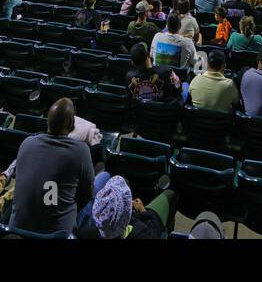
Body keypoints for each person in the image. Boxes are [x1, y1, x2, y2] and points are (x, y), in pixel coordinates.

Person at [10, 98, 95, 235]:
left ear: (47, 122)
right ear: (72, 125)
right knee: (103, 176)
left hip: (18, 231)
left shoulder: (27, 143)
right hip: (56, 235)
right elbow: (87, 194)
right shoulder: (81, 151)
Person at [76, 174, 176, 240]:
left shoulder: (84, 231)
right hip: (149, 222)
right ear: (127, 216)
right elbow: (155, 231)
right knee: (170, 194)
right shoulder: (140, 233)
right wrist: (143, 211)